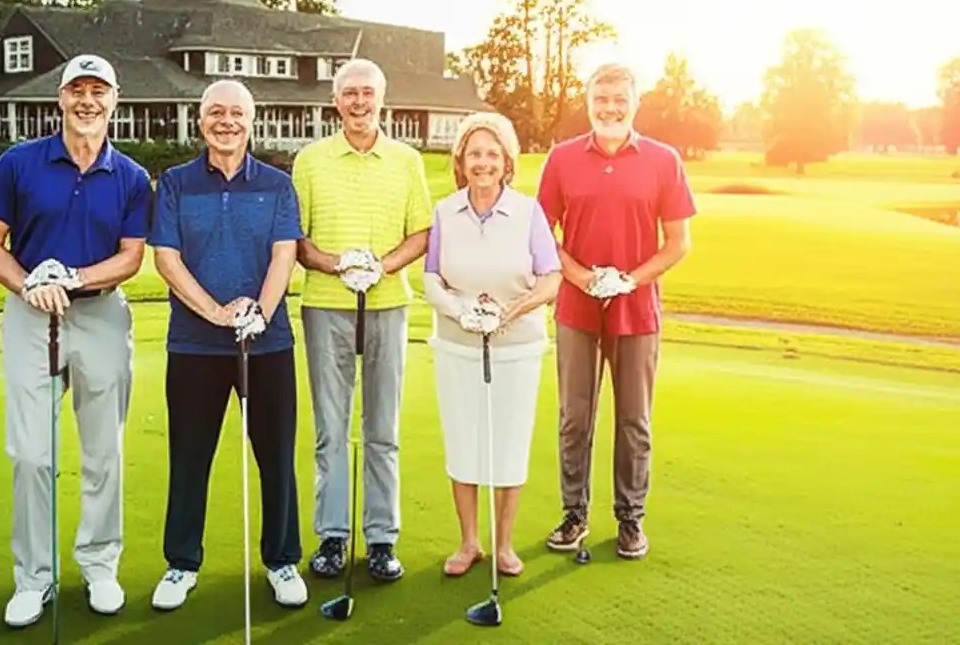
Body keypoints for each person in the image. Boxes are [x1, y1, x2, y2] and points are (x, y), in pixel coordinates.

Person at [0, 54, 152, 627]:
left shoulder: (129, 175)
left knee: (103, 451)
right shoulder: (19, 163)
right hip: (30, 318)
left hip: (100, 315)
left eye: (98, 91)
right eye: (78, 90)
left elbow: (131, 258)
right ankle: (35, 577)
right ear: (60, 99)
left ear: (114, 101)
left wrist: (73, 279)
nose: (87, 101)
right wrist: (29, 285)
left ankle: (100, 565)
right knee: (31, 455)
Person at [146, 79, 308, 610]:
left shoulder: (278, 184)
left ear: (251, 121)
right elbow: (167, 260)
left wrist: (258, 313)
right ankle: (181, 563)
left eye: (237, 113)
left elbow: (283, 256)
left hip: (267, 343)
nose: (226, 121)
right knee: (190, 456)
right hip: (194, 345)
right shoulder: (173, 183)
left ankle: (282, 560)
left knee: (276, 454)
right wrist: (217, 314)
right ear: (200, 122)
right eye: (215, 112)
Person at [536, 62, 697, 561]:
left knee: (634, 421)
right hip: (576, 309)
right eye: (600, 100)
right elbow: (542, 237)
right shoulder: (562, 159)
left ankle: (630, 519)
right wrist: (583, 278)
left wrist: (630, 280)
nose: (609, 108)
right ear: (588, 103)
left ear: (635, 102)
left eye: (618, 99)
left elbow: (678, 243)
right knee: (574, 418)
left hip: (637, 311)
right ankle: (574, 514)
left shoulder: (664, 160)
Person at [292, 58, 432, 582]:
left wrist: (380, 266)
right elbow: (298, 240)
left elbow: (420, 233)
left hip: (388, 303)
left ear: (381, 98)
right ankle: (332, 535)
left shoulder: (406, 161)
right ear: (336, 101)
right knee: (330, 428)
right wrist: (337, 264)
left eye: (367, 93)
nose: (358, 102)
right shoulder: (310, 160)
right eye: (349, 93)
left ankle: (380, 539)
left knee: (382, 429)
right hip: (326, 303)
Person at [422, 112, 561, 578]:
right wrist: (461, 313)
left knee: (508, 445)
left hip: (517, 348)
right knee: (463, 441)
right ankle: (469, 543)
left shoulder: (528, 213)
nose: (483, 163)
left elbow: (551, 279)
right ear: (461, 160)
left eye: (492, 154)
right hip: (457, 346)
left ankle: (504, 546)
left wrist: (511, 311)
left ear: (507, 161)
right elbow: (431, 278)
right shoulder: (444, 212)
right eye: (474, 153)